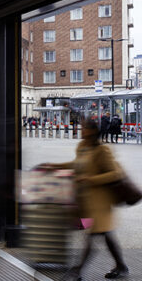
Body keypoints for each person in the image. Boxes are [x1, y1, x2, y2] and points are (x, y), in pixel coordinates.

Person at [47, 119, 129, 280]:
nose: (81, 130)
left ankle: (76, 271)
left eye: (84, 128)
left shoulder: (102, 150)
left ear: (93, 130)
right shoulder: (82, 146)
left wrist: (90, 179)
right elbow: (76, 164)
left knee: (93, 233)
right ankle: (121, 265)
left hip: (101, 201)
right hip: (85, 200)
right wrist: (56, 166)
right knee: (105, 233)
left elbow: (115, 174)